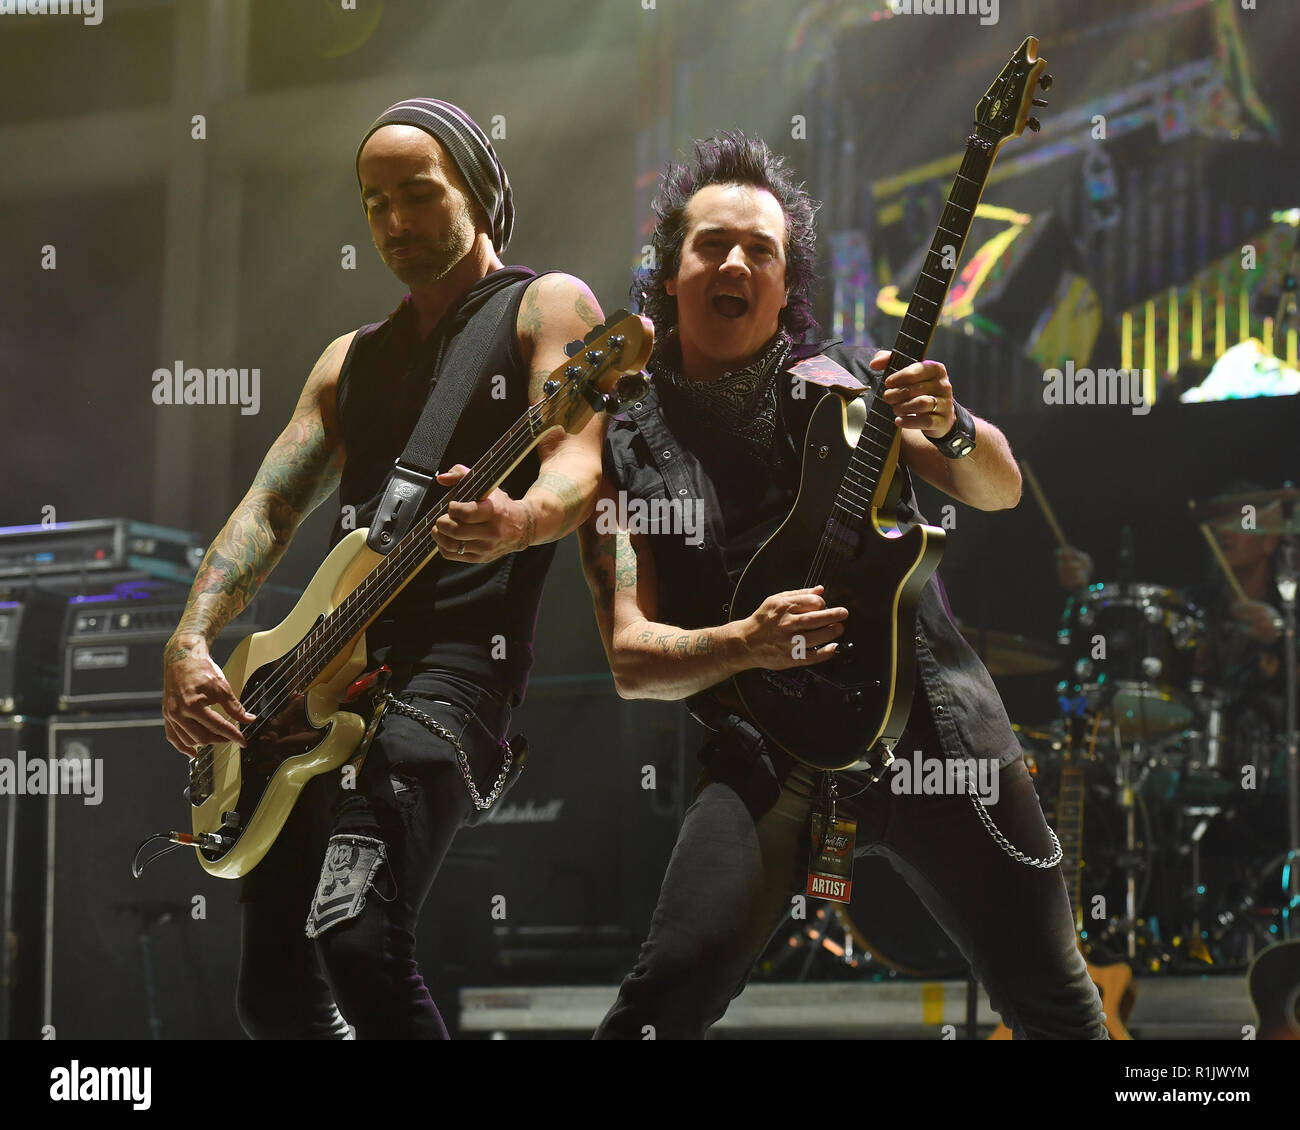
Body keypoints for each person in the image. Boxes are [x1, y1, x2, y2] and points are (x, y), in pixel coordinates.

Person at [578, 131, 1107, 1039]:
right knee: (662, 1003)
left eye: (762, 251)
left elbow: (1001, 487)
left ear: (786, 290)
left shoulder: (851, 387)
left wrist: (949, 428)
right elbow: (631, 659)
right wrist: (746, 642)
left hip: (937, 726)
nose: (735, 262)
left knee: (1056, 1005)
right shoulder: (624, 446)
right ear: (670, 274)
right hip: (763, 743)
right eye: (711, 245)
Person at [161, 98, 608, 1039]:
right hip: (314, 675)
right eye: (374, 204)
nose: (395, 223)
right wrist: (193, 636)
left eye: (419, 194)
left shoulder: (547, 307)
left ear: (479, 193)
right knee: (273, 997)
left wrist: (517, 518)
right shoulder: (349, 360)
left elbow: (578, 462)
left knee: (356, 935)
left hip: (451, 672)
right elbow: (273, 505)